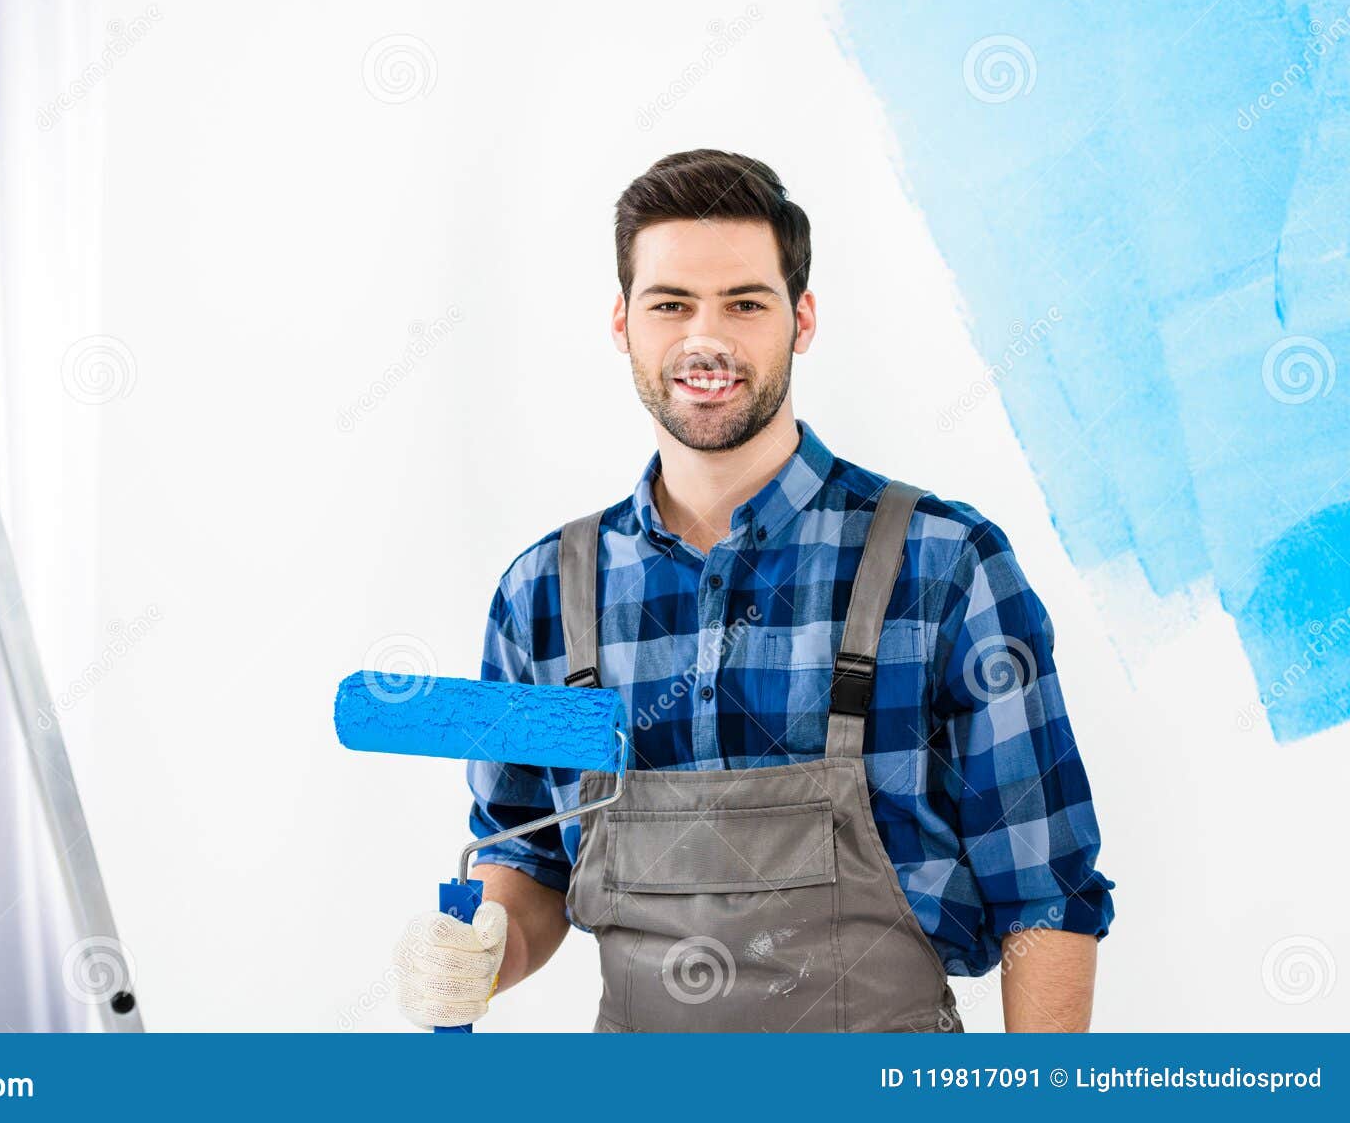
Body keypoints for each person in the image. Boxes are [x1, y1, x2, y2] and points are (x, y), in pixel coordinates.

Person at [392, 150, 1115, 1032]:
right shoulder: (544, 595)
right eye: (670, 304)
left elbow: (1044, 894)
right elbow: (530, 859)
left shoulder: (941, 564)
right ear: (622, 322)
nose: (707, 339)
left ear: (800, 318)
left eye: (745, 302)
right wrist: (480, 955)